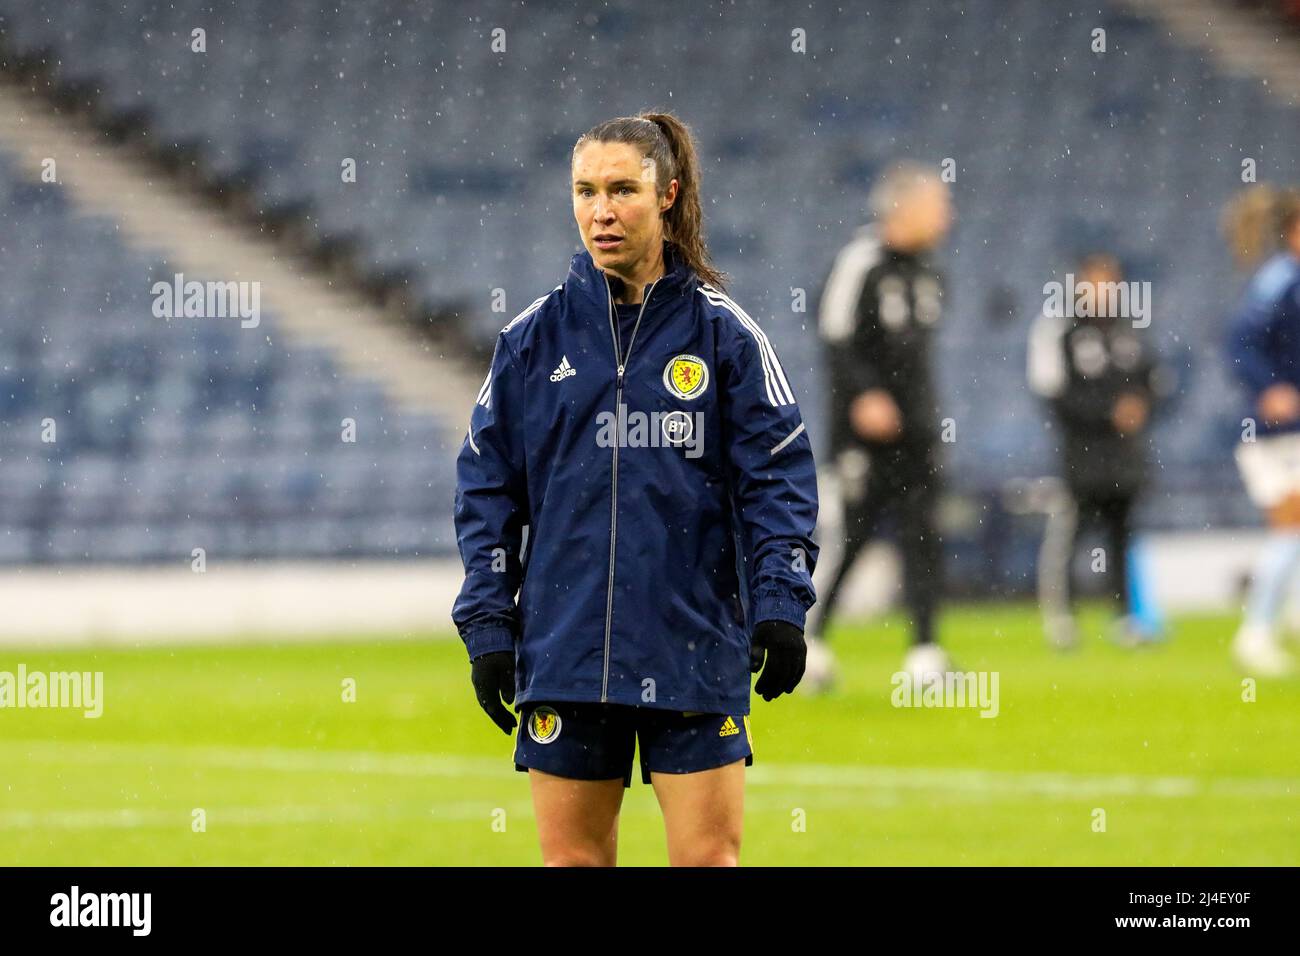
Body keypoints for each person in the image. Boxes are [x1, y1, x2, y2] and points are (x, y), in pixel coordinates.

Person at [451, 111, 819, 866]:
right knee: (573, 864)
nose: (601, 210)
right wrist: (489, 626)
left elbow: (777, 478)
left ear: (669, 196)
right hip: (565, 646)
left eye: (623, 189)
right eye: (585, 191)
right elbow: (486, 492)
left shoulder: (725, 337)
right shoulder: (531, 341)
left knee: (707, 862)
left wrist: (780, 602)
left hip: (692, 641)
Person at [805, 162, 953, 692]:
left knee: (923, 534)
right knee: (850, 537)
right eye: (938, 205)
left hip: (916, 434)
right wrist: (864, 395)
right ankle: (807, 641)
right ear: (904, 208)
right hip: (860, 439)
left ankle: (925, 652)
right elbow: (834, 336)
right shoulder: (860, 262)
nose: (946, 216)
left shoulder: (928, 271)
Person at [1027, 252, 1170, 648]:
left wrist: (1141, 405)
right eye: (1096, 281)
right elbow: (1052, 393)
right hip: (1081, 454)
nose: (1104, 288)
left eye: (1110, 281)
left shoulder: (1128, 327)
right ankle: (1062, 619)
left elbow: (1156, 380)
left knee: (1121, 535)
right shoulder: (1058, 328)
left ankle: (1126, 618)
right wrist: (1108, 413)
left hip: (1126, 455)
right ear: (1079, 282)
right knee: (1070, 534)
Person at [1223, 185, 1300, 676]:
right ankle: (1254, 634)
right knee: (1290, 528)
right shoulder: (1280, 279)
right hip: (1277, 432)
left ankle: (1286, 617)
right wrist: (1268, 386)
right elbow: (1238, 340)